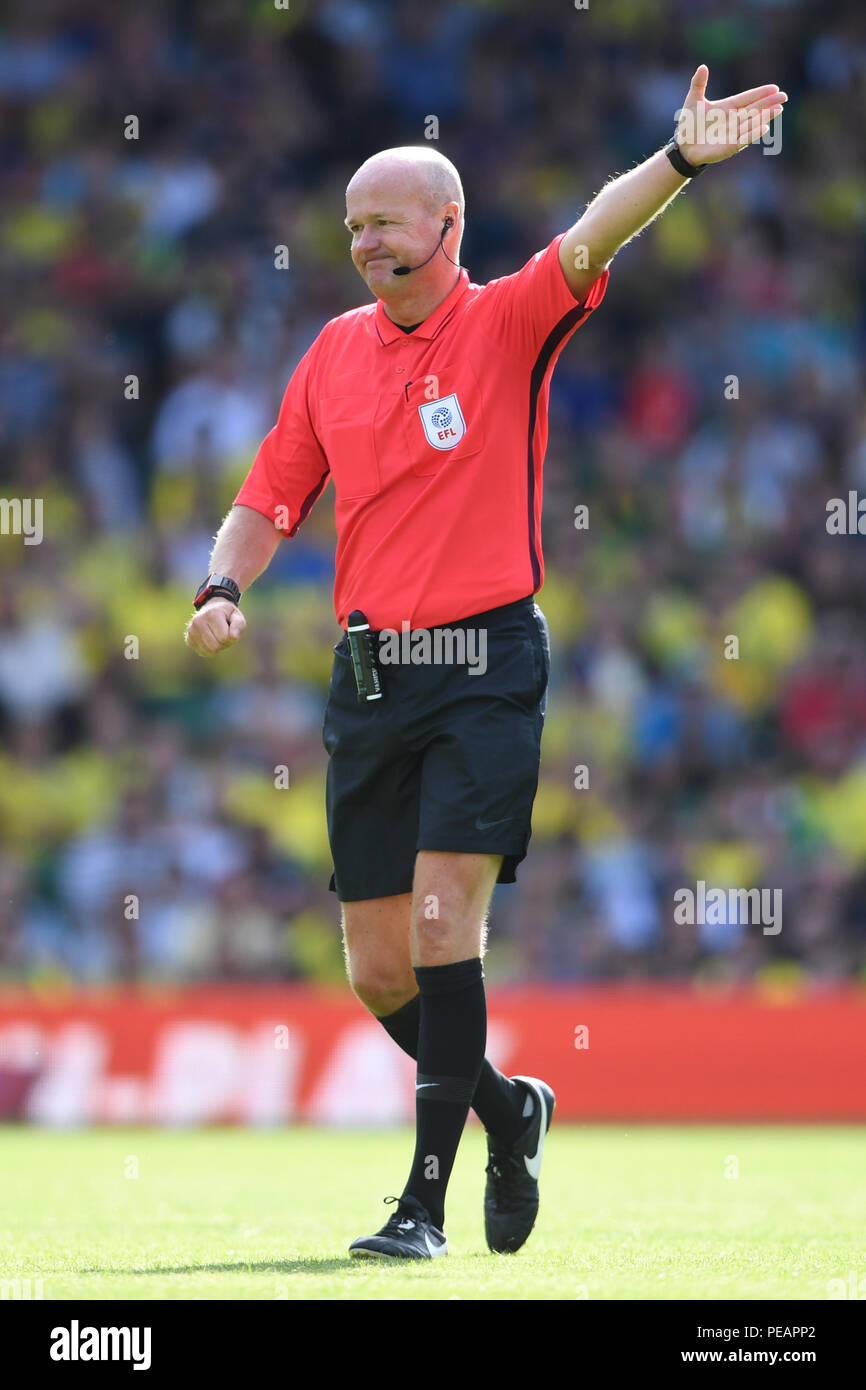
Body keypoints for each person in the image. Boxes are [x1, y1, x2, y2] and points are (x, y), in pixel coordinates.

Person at [185, 67, 787, 1258]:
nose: (362, 242)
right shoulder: (330, 354)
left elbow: (589, 232)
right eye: (351, 224)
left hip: (484, 664)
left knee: (441, 924)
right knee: (373, 968)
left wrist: (675, 162)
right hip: (370, 675)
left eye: (384, 222)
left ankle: (421, 1204)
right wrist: (219, 583)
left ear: (446, 227)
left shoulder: (507, 320)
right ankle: (512, 1111)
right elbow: (267, 496)